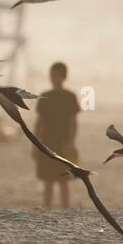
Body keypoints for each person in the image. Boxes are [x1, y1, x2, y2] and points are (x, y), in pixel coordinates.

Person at [31, 61, 80, 207]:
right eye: (51, 75)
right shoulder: (45, 96)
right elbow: (39, 122)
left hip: (63, 143)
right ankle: (47, 211)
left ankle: (64, 212)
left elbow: (73, 122)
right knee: (48, 181)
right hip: (46, 142)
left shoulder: (70, 97)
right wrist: (35, 144)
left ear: (63, 77)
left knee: (63, 181)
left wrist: (71, 142)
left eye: (56, 75)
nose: (53, 78)